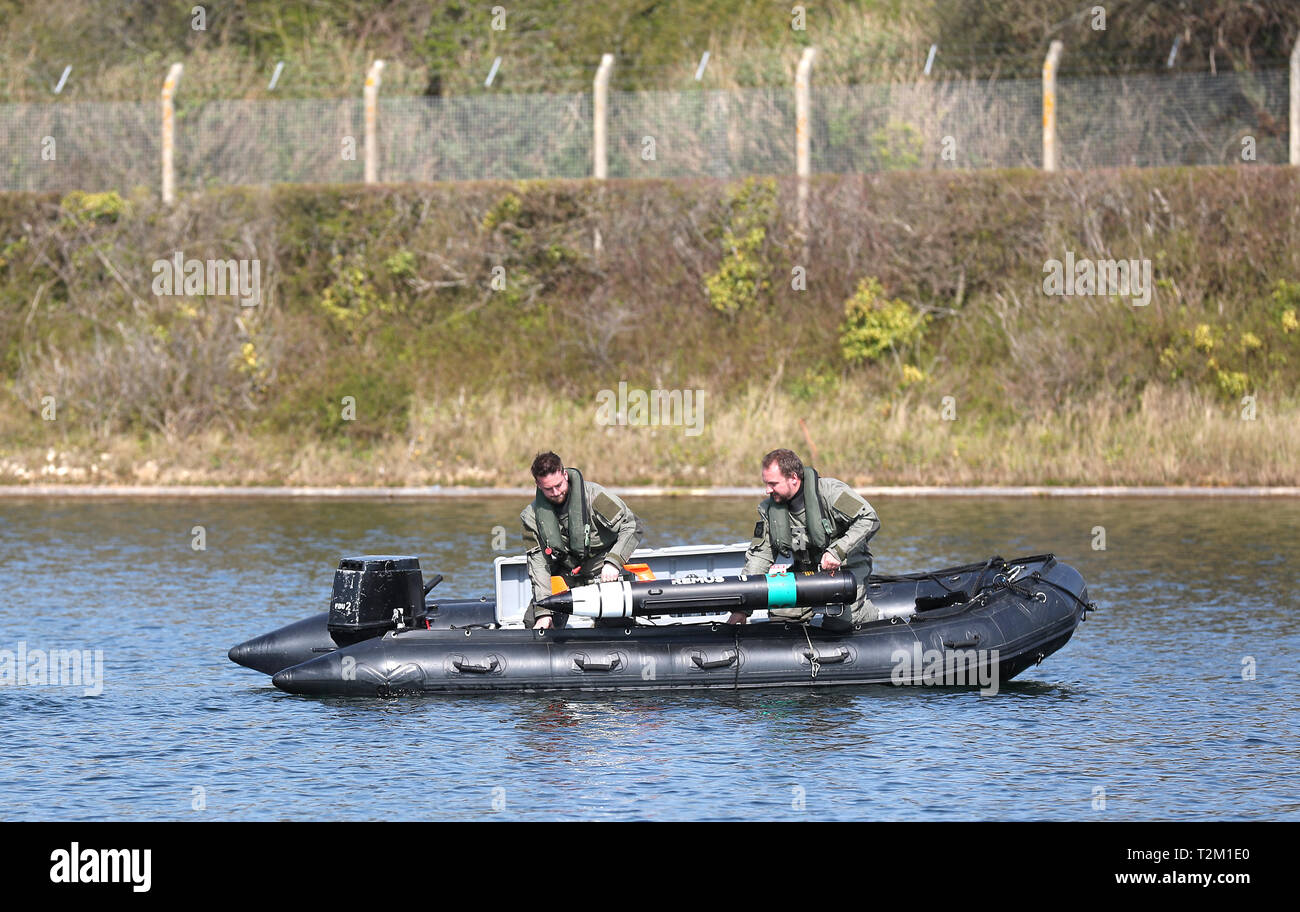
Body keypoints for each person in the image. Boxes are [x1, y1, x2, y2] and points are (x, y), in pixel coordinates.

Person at [726, 448, 880, 630]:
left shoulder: (831, 493)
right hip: (805, 573)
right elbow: (760, 557)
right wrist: (743, 609)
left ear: (793, 478)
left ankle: (868, 614)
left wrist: (837, 551)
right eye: (766, 483)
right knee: (780, 619)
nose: (767, 490)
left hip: (846, 571)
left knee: (839, 623)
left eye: (773, 484)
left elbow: (868, 518)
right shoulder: (771, 511)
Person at [520, 452, 644, 629]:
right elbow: (538, 565)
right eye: (548, 489)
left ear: (564, 475)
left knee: (616, 624)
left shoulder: (595, 496)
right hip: (567, 574)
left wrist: (614, 562)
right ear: (538, 485)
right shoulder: (530, 517)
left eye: (558, 485)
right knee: (535, 621)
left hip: (603, 569)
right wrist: (543, 612)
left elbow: (632, 525)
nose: (556, 492)